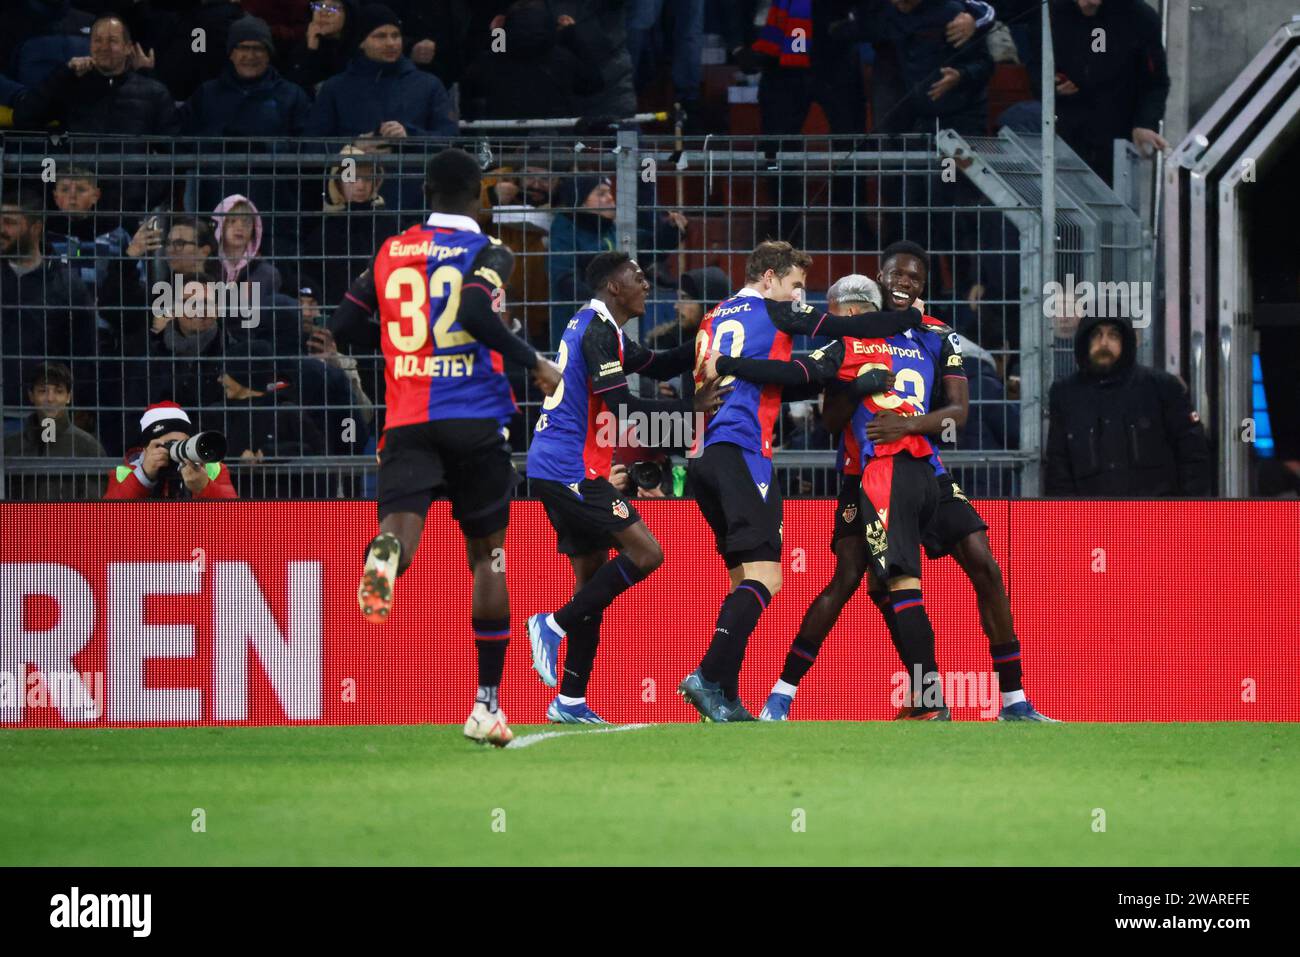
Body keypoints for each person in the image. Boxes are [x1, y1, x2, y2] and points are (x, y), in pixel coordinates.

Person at [331, 148, 563, 747]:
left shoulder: (391, 251)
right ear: (479, 196)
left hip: (407, 419)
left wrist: (399, 345)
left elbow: (344, 325)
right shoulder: (488, 252)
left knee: (401, 529)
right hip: (473, 418)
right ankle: (486, 705)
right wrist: (534, 363)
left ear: (427, 192)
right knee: (489, 558)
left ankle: (384, 558)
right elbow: (476, 313)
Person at [764, 243, 1056, 721]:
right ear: (880, 277)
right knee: (853, 579)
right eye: (896, 274)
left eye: (914, 278)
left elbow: (957, 416)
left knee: (983, 563)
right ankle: (783, 695)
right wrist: (854, 386)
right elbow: (832, 421)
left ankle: (1014, 701)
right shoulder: (855, 335)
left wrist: (908, 426)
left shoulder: (939, 336)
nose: (904, 283)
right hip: (867, 474)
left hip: (926, 466)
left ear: (923, 286)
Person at [675, 240, 923, 721]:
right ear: (769, 278)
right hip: (743, 449)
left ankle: (723, 694)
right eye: (795, 285)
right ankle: (707, 676)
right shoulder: (774, 310)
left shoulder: (717, 316)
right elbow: (854, 327)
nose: (799, 296)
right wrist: (908, 318)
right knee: (767, 576)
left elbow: (779, 376)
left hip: (702, 455)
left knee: (742, 577)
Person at [522, 251, 727, 724]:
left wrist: (709, 334)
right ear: (614, 287)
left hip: (566, 466)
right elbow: (621, 410)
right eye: (637, 278)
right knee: (647, 554)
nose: (646, 286)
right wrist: (691, 411)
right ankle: (550, 625)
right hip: (567, 469)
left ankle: (570, 701)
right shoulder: (596, 331)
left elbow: (656, 363)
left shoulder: (603, 329)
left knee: (592, 581)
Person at [1045, 315, 1210, 497]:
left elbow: (1193, 457)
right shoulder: (1066, 395)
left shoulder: (1162, 388)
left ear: (1127, 342)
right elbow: (1058, 470)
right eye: (1096, 335)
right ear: (1084, 341)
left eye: (1113, 335)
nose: (1104, 343)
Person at [1052, 0, 1170, 184]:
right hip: (1062, 131)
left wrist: (1145, 123)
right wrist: (1050, 86)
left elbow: (1155, 82)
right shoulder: (1049, 13)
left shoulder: (1139, 16)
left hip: (1116, 135)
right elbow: (1034, 64)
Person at [303, 5, 458, 140]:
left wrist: (410, 136)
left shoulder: (429, 85)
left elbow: (450, 137)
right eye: (380, 36)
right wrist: (354, 149)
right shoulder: (335, 88)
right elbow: (312, 147)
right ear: (361, 42)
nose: (391, 43)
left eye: (396, 35)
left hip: (414, 173)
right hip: (352, 172)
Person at [12, 15, 179, 136]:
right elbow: (24, 117)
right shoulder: (70, 84)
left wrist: (147, 185)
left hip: (129, 183)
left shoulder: (155, 92)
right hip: (80, 181)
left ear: (128, 48)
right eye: (97, 40)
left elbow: (171, 151)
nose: (103, 47)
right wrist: (63, 74)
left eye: (112, 40)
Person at [459, 0, 604, 122]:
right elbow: (592, 84)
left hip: (504, 143)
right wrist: (572, 37)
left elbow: (470, 88)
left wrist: (497, 34)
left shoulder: (492, 61)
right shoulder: (562, 58)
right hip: (554, 141)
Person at [4, 361, 106, 501]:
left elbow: (93, 506)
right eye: (42, 391)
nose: (50, 399)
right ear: (31, 395)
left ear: (68, 397)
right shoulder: (9, 446)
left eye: (58, 391)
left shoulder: (88, 447)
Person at [105, 401, 238, 500]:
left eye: (182, 444)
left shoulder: (213, 470)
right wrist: (143, 477)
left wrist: (205, 487)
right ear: (146, 448)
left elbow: (237, 516)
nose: (174, 453)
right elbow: (107, 518)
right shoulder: (125, 473)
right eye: (168, 445)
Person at [285, 0, 364, 92]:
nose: (323, 13)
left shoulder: (361, 50)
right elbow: (293, 93)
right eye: (318, 5)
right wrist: (310, 50)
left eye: (333, 7)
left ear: (349, 14)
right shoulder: (302, 47)